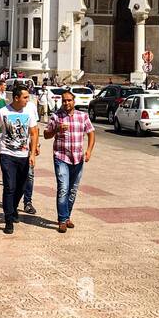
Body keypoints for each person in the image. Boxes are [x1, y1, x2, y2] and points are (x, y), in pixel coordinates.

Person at [42, 89, 95, 233]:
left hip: (78, 158)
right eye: (64, 100)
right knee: (63, 188)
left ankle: (67, 216)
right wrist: (56, 129)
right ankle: (62, 219)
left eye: (69, 100)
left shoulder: (82, 116)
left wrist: (89, 151)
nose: (66, 103)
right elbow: (46, 135)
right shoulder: (56, 117)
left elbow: (91, 133)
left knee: (73, 190)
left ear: (74, 101)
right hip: (61, 157)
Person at [0, 84, 39, 235]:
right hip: (7, 153)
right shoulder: (3, 112)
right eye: (25, 97)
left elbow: (34, 133)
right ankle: (9, 219)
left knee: (22, 187)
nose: (27, 100)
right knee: (9, 186)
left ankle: (13, 208)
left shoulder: (29, 111)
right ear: (16, 98)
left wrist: (32, 153)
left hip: (23, 155)